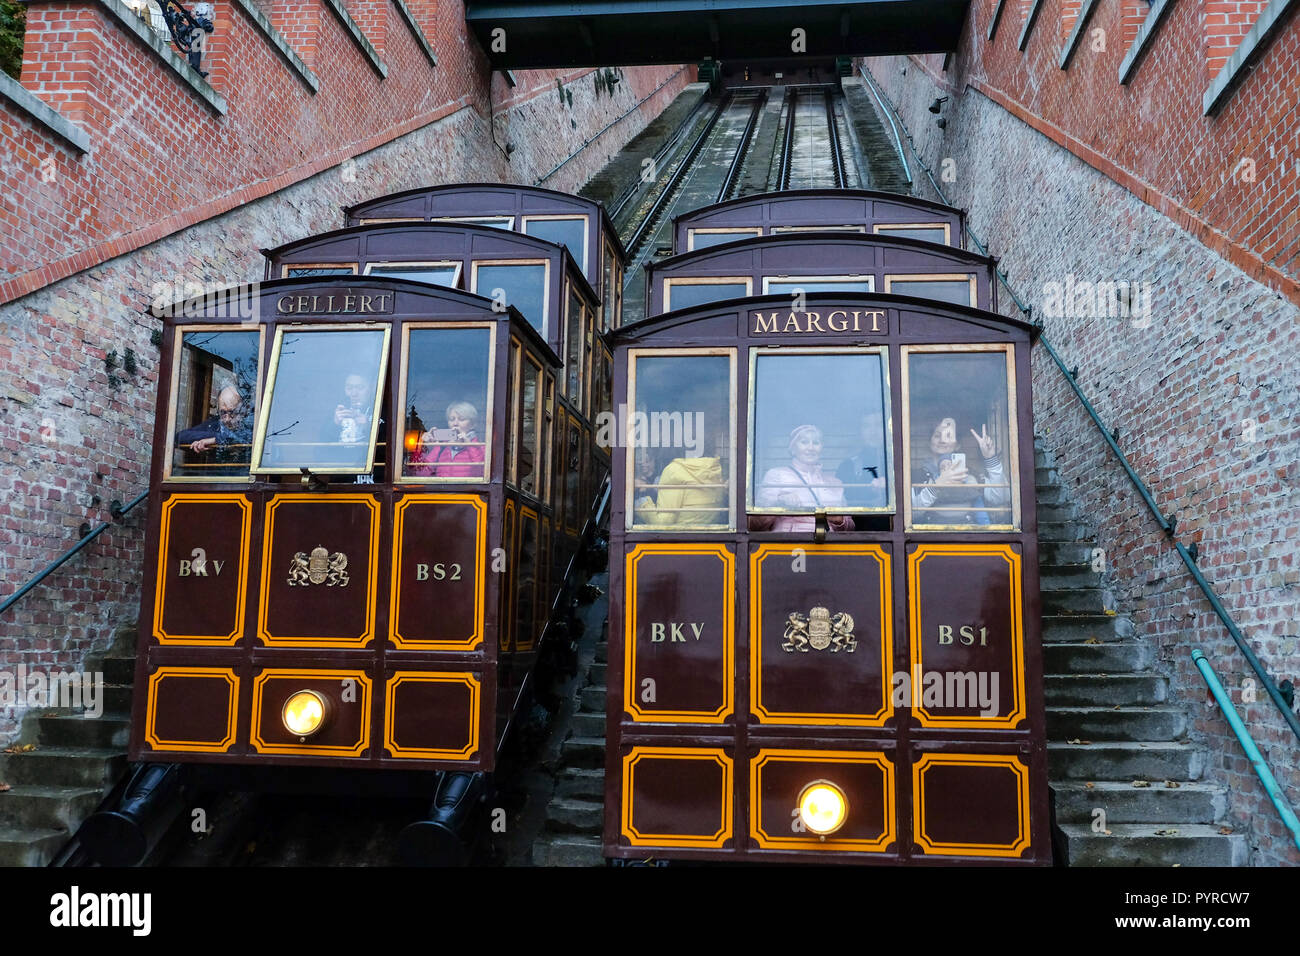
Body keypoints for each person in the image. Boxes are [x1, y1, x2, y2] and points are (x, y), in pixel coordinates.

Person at [750, 424, 854, 533]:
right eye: (804, 442)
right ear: (793, 448)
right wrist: (778, 504)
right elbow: (754, 524)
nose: (811, 448)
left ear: (821, 448)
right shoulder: (776, 475)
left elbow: (850, 528)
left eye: (816, 443)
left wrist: (839, 520)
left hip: (826, 545)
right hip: (787, 545)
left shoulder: (834, 483)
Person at [910, 416, 1010, 524]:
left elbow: (1001, 498)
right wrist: (935, 487)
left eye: (948, 436)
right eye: (937, 436)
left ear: (957, 445)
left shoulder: (971, 475)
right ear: (930, 442)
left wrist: (990, 457)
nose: (942, 440)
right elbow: (909, 515)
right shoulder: (915, 476)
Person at [633, 448, 726, 526]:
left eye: (648, 460)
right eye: (639, 462)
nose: (644, 465)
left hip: (679, 536)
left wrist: (641, 504)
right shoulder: (713, 469)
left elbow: (662, 523)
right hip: (709, 537)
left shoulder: (673, 472)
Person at [175, 385, 252, 472]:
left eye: (232, 412)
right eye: (223, 413)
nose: (227, 419)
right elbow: (179, 437)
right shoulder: (215, 424)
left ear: (245, 410)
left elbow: (245, 439)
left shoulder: (252, 424)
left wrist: (217, 439)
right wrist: (212, 438)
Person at [411, 401, 485, 478]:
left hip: (468, 490)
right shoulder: (443, 447)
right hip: (442, 490)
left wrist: (469, 445)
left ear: (472, 424)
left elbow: (482, 474)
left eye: (461, 419)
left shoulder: (481, 447)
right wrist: (424, 445)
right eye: (452, 419)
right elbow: (419, 473)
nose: (455, 423)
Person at [835, 413, 888, 507]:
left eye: (878, 425)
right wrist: (870, 490)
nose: (873, 432)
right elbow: (843, 501)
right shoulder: (848, 465)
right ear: (860, 432)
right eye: (867, 426)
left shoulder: (899, 463)